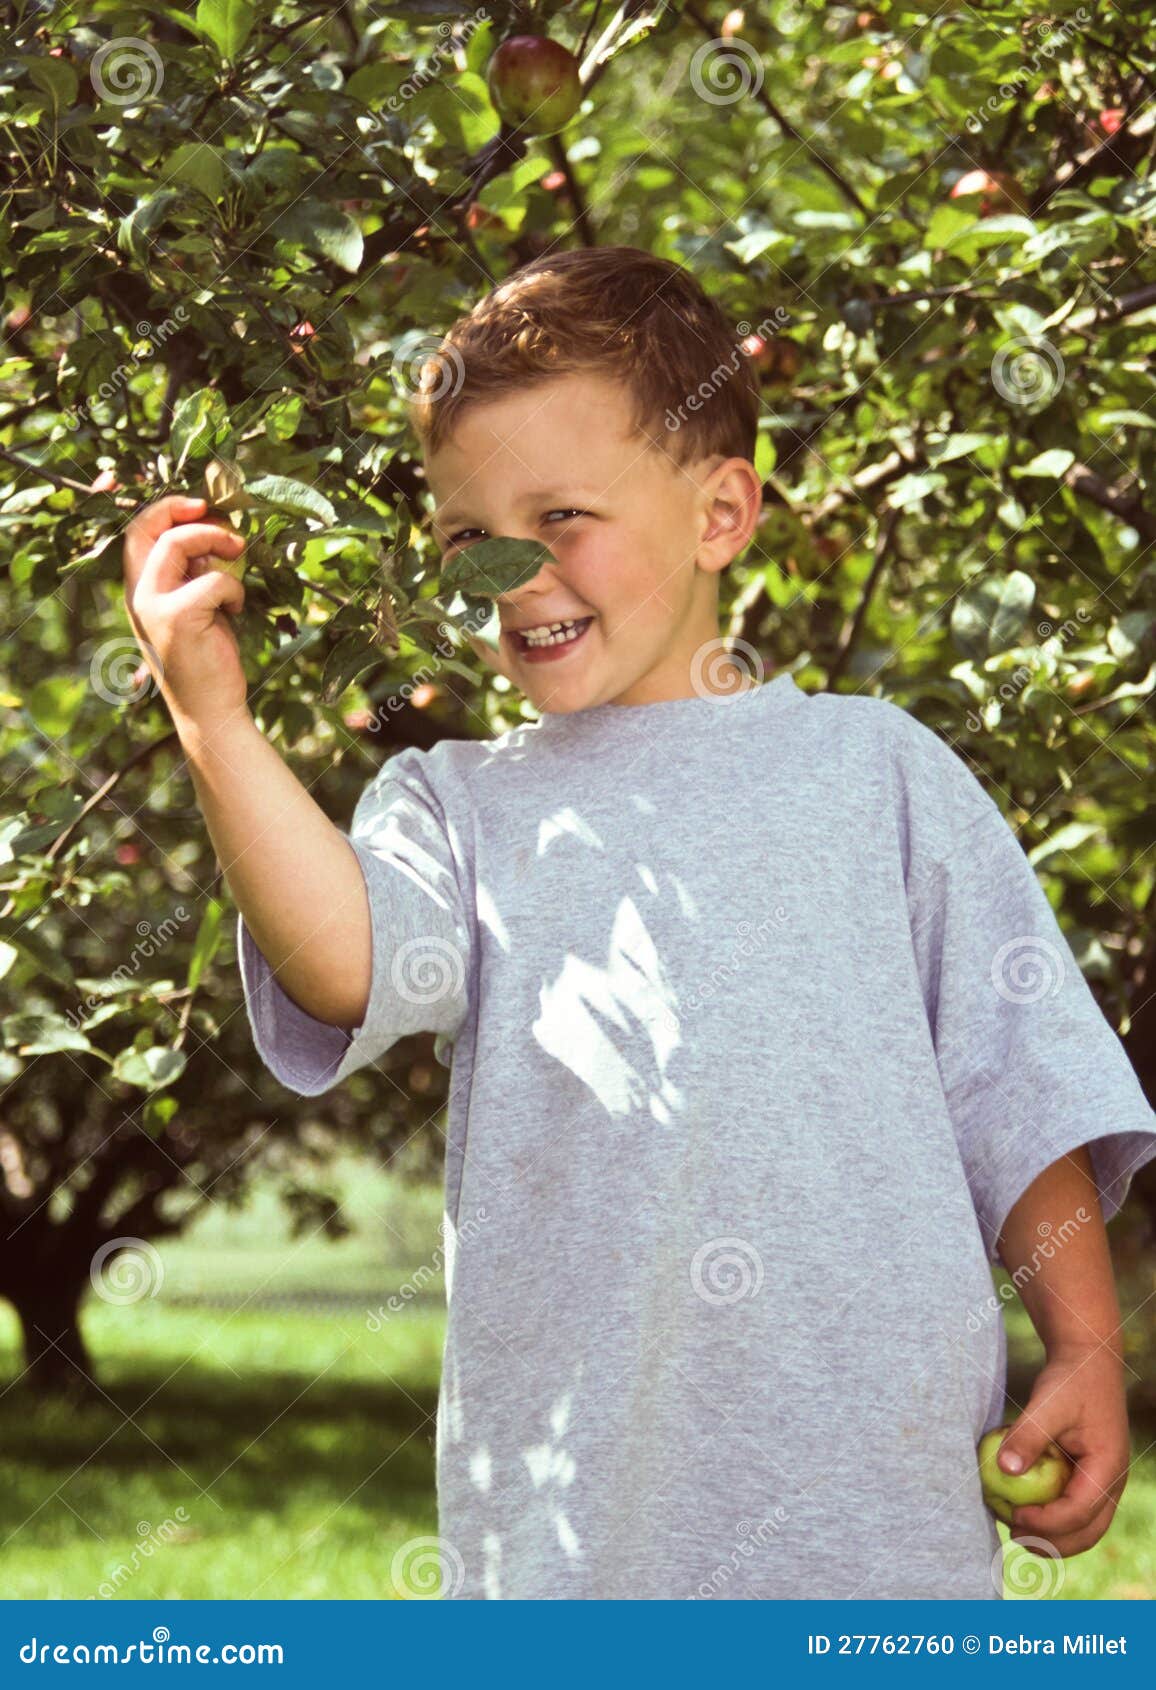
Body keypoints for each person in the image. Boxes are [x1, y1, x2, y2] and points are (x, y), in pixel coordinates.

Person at [123, 246, 1156, 1601]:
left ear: (722, 510)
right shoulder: (461, 806)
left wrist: (1082, 1344)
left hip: (874, 1539)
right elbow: (345, 959)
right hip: (573, 1543)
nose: (514, 570)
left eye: (564, 515)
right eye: (467, 535)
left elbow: (1014, 1093)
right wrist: (212, 715)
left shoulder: (879, 775)